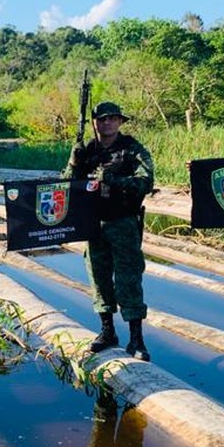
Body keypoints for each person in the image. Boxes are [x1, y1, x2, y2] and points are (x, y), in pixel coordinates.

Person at [62, 101, 155, 361]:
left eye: (112, 119)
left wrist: (113, 180)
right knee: (99, 277)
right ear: (94, 122)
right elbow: (67, 185)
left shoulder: (131, 149)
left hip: (123, 221)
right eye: (102, 119)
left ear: (120, 122)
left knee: (129, 278)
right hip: (93, 223)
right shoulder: (88, 150)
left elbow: (146, 183)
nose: (107, 123)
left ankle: (136, 339)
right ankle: (107, 332)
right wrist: (73, 161)